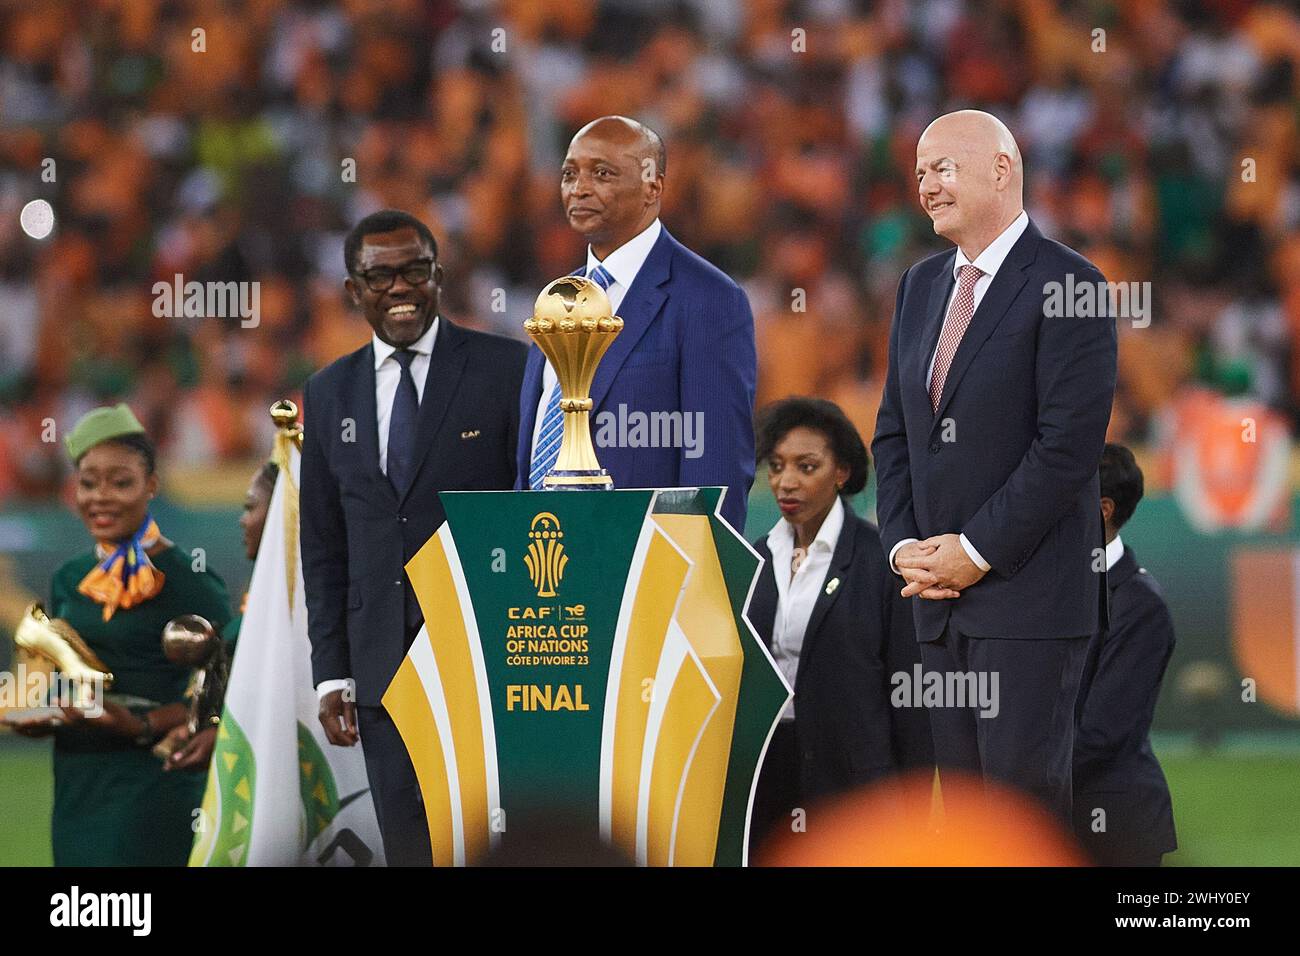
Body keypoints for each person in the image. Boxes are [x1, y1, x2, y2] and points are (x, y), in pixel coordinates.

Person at [870, 110, 1117, 821]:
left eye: (942, 168)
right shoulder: (919, 285)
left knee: (1020, 825)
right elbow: (894, 434)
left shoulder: (1072, 283)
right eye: (920, 172)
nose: (926, 186)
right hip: (935, 601)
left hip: (1028, 604)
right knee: (966, 827)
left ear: (1002, 169)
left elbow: (1066, 448)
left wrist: (974, 552)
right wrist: (904, 548)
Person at [301, 209, 527, 866]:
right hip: (380, 670)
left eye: (415, 270)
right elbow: (324, 545)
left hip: (482, 659)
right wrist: (331, 674)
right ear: (354, 290)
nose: (400, 287)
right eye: (381, 276)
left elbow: (530, 510)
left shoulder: (507, 369)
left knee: (489, 845)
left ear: (438, 276)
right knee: (409, 848)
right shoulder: (329, 392)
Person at [12, 404, 232, 866]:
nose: (101, 497)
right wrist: (41, 714)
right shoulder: (69, 577)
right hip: (79, 780)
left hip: (155, 780)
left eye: (121, 482)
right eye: (88, 483)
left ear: (151, 485)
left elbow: (227, 694)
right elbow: (63, 678)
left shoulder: (191, 581)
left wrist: (142, 724)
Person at [516, 115, 756, 532]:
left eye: (602, 173)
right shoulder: (556, 301)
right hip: (542, 553)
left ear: (652, 186)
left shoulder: (709, 299)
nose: (579, 188)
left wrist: (690, 566)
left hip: (642, 561)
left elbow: (717, 474)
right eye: (570, 174)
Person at [748, 398, 932, 854]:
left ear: (842, 472)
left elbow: (911, 699)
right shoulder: (752, 558)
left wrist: (913, 810)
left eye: (806, 466)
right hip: (766, 778)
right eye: (776, 466)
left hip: (856, 790)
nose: (786, 481)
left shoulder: (880, 562)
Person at [1072, 444, 1177, 866]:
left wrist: (1018, 774)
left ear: (1103, 510)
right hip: (1054, 816)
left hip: (1114, 828)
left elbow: (1102, 733)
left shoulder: (1140, 605)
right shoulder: (1048, 586)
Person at [154, 460, 277, 771]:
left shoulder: (301, 607)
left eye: (251, 507)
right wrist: (205, 728)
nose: (242, 520)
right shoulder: (267, 595)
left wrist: (220, 736)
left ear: (282, 513)